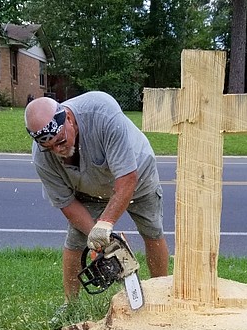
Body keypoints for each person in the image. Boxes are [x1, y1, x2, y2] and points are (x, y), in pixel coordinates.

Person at [25, 91, 169, 303]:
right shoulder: (42, 157)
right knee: (75, 242)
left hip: (137, 176)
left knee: (152, 232)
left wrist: (106, 223)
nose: (58, 149)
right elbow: (66, 203)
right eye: (50, 147)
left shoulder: (103, 112)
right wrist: (100, 238)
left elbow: (127, 178)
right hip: (89, 187)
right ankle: (70, 305)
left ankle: (162, 294)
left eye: (61, 141)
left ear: (70, 119)